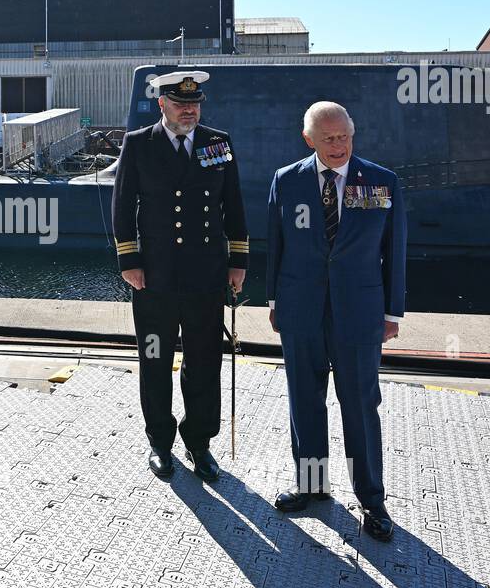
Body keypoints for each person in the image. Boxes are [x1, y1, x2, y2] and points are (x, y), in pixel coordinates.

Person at [265, 101, 407, 541]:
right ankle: (311, 487)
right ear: (308, 139)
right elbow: (277, 245)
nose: (338, 145)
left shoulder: (381, 182)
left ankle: (372, 499)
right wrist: (274, 300)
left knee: (361, 406)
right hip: (300, 310)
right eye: (327, 139)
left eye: (344, 136)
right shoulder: (287, 182)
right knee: (304, 402)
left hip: (360, 314)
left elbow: (393, 250)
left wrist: (392, 311)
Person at [112, 70, 249, 482]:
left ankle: (199, 441)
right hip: (154, 276)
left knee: (204, 359)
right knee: (155, 357)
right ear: (162, 105)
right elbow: (122, 208)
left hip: (206, 275)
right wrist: (129, 262)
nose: (189, 110)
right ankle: (160, 441)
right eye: (179, 103)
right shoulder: (139, 144)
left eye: (194, 103)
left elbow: (234, 204)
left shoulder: (217, 143)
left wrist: (237, 260)